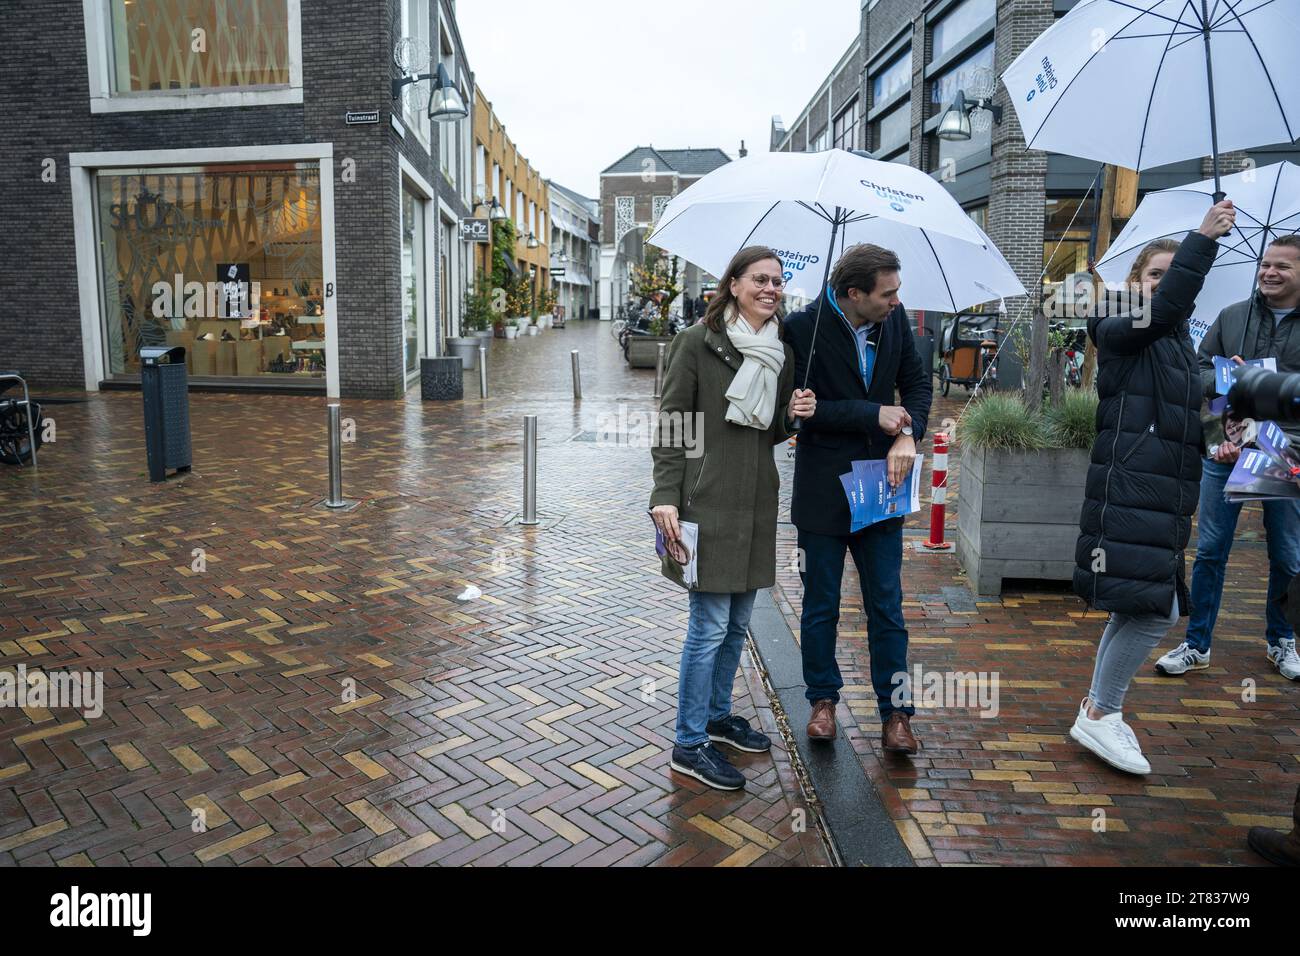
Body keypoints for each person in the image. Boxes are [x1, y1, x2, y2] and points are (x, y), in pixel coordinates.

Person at [1071, 200, 1236, 775]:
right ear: (1135, 282)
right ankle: (1101, 711)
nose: (1164, 285)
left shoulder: (1173, 342)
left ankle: (1097, 708)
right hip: (1130, 489)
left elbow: (1195, 394)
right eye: (1155, 274)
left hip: (1165, 494)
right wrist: (1202, 241)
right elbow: (1164, 312)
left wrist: (1221, 429)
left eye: (1172, 273)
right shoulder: (1115, 321)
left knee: (1138, 607)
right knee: (1155, 613)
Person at [650, 245, 816, 790]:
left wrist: (793, 418)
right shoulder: (696, 344)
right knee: (709, 627)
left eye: (778, 281)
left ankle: (718, 717)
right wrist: (665, 495)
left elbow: (768, 434)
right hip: (705, 502)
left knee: (739, 622)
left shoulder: (780, 354)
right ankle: (688, 741)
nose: (771, 289)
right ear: (735, 283)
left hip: (756, 504)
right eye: (760, 279)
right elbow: (674, 423)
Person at [783, 243, 932, 754]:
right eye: (887, 293)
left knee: (886, 606)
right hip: (823, 489)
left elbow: (916, 384)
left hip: (881, 488)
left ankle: (896, 715)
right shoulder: (802, 328)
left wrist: (908, 433)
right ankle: (822, 701)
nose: (897, 300)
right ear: (853, 294)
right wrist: (872, 414)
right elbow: (804, 411)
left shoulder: (894, 323)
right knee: (821, 605)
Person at [1154, 234, 1300, 682]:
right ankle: (1196, 644)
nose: (1270, 272)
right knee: (1212, 551)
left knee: (1288, 554)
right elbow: (1197, 372)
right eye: (1266, 264)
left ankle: (1282, 640)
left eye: (1283, 267)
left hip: (1284, 448)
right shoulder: (1232, 316)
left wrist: (1269, 389)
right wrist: (1225, 383)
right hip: (1227, 444)